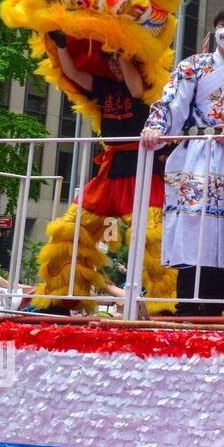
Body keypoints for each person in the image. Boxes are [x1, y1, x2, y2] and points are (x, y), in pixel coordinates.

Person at [142, 4, 224, 315]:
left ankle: (213, 307)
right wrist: (156, 127)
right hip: (195, 153)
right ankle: (186, 305)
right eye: (223, 23)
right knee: (192, 229)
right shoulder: (192, 66)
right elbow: (172, 101)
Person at [33, 37, 168, 310]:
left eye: (117, 58)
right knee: (70, 228)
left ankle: (163, 305)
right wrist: (61, 45)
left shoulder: (148, 86)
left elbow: (134, 87)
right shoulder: (104, 87)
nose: (113, 64)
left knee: (153, 238)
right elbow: (72, 74)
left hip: (141, 171)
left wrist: (123, 53)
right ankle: (61, 297)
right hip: (110, 172)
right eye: (109, 59)